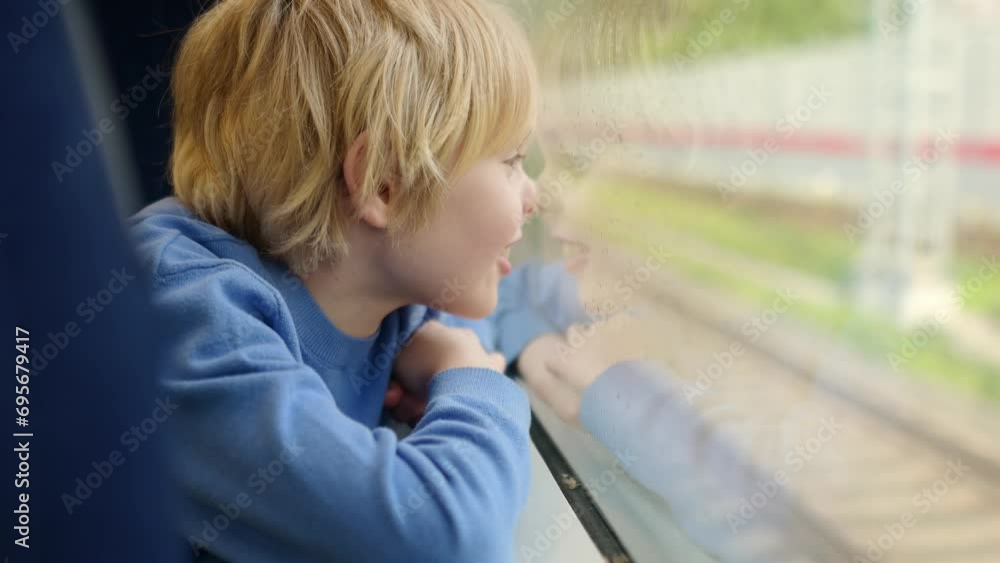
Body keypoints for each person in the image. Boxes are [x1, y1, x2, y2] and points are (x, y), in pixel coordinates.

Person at [127, 1, 589, 561]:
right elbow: (445, 539)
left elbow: (500, 301)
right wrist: (471, 378)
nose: (533, 196)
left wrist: (521, 340)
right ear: (383, 185)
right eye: (512, 161)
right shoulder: (182, 312)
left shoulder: (382, 291)